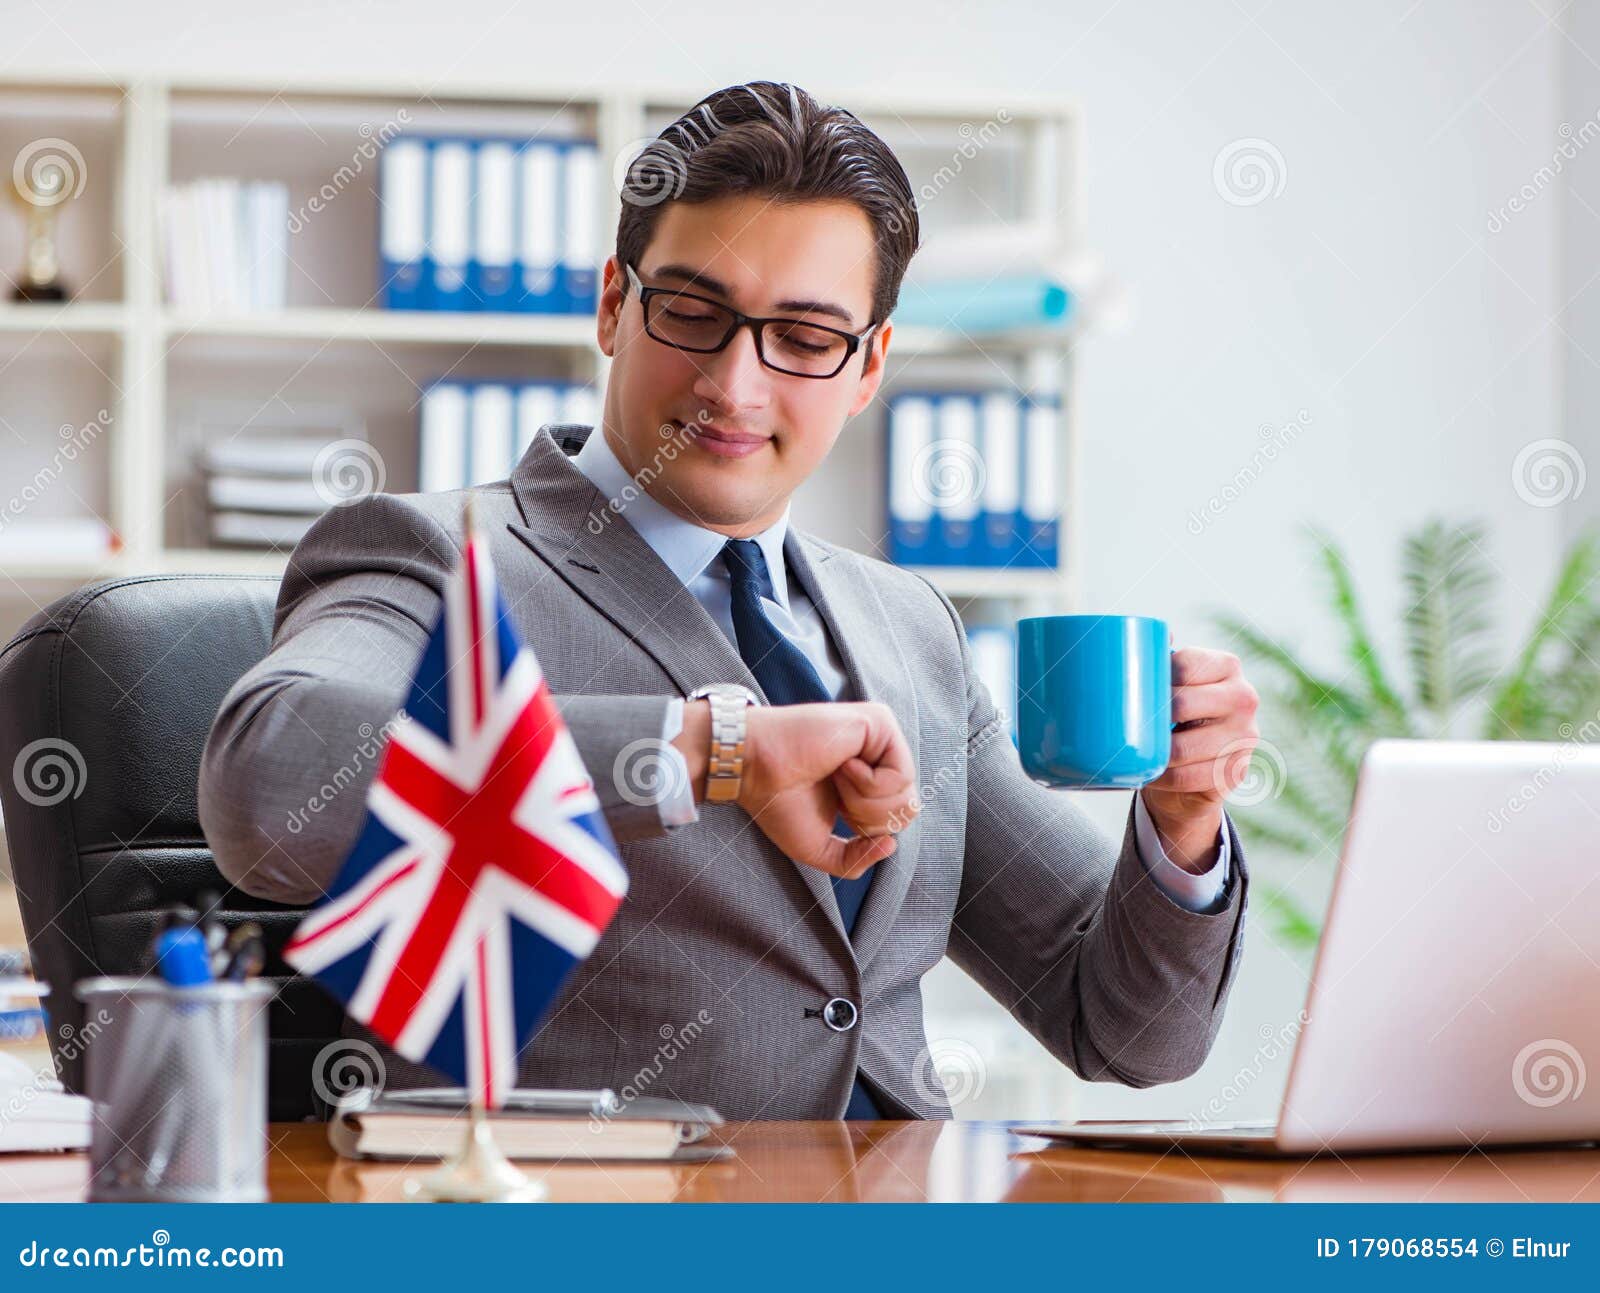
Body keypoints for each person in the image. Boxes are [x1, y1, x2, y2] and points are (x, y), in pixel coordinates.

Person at [199, 80, 1257, 1120]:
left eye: (803, 339)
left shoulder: (910, 628)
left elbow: (1123, 1030)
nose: (735, 386)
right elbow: (272, 790)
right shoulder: (435, 554)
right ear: (615, 305)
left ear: (869, 366)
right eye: (695, 313)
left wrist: (1182, 824)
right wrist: (714, 749)